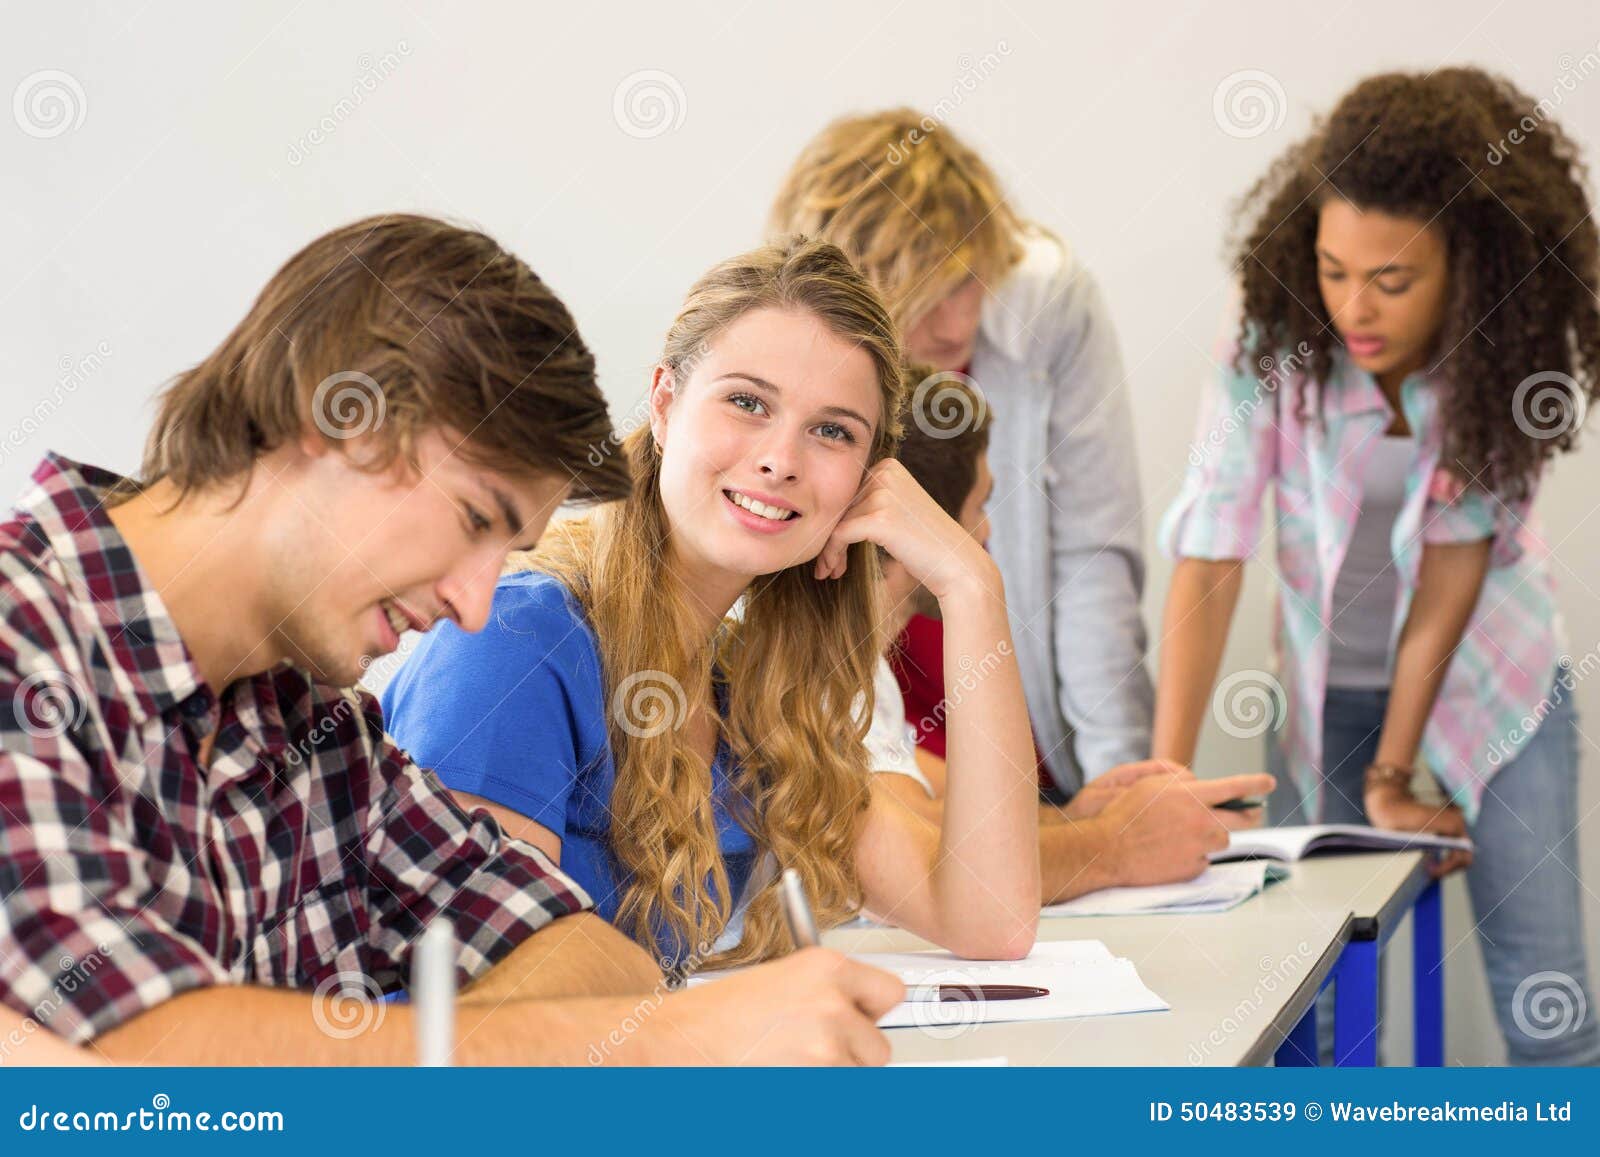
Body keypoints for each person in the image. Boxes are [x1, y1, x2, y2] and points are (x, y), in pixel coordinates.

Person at [0, 215, 902, 1065]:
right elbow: (137, 1045)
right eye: (474, 518)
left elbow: (589, 952)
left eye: (503, 549)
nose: (476, 607)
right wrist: (665, 1039)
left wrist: (385, 1069)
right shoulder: (22, 645)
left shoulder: (311, 720)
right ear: (335, 419)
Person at [383, 237, 1041, 970]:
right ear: (664, 404)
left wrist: (971, 585)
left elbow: (991, 919)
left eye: (832, 430)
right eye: (747, 402)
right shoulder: (516, 640)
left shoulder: (745, 686)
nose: (780, 459)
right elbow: (492, 990)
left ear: (865, 477)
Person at [1153, 69, 1600, 1065]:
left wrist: (1399, 769)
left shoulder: (1507, 348)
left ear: (1466, 268)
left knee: (1549, 1003)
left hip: (1495, 691)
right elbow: (1213, 544)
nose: (1354, 306)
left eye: (1391, 280)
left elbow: (1455, 558)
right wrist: (1166, 775)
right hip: (1323, 697)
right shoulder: (1269, 326)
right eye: (1332, 268)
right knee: (1313, 1010)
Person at [768, 109, 1151, 795]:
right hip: (877, 721)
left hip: (1016, 698)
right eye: (925, 296)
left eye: (966, 282)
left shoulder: (1051, 303)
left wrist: (1115, 778)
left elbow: (1093, 557)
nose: (957, 324)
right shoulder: (789, 344)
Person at [870, 369, 1273, 900]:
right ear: (927, 521)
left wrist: (1075, 817)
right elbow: (930, 864)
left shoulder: (872, 677)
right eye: (979, 507)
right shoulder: (824, 665)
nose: (986, 534)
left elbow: (925, 816)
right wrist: (1116, 844)